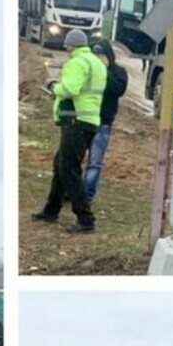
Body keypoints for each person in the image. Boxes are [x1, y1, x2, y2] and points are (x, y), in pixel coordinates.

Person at [31, 28, 106, 233]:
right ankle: (51, 210)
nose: (66, 48)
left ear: (71, 45)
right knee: (61, 165)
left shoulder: (77, 63)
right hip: (90, 120)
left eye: (67, 45)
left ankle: (85, 218)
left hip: (75, 120)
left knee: (68, 170)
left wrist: (55, 87)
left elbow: (70, 89)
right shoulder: (97, 64)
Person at [84, 39, 128, 203]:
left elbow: (117, 89)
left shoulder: (118, 72)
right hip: (84, 119)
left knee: (95, 161)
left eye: (102, 54)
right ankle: (73, 191)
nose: (98, 58)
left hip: (103, 122)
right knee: (76, 157)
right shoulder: (88, 69)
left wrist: (104, 70)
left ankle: (87, 194)